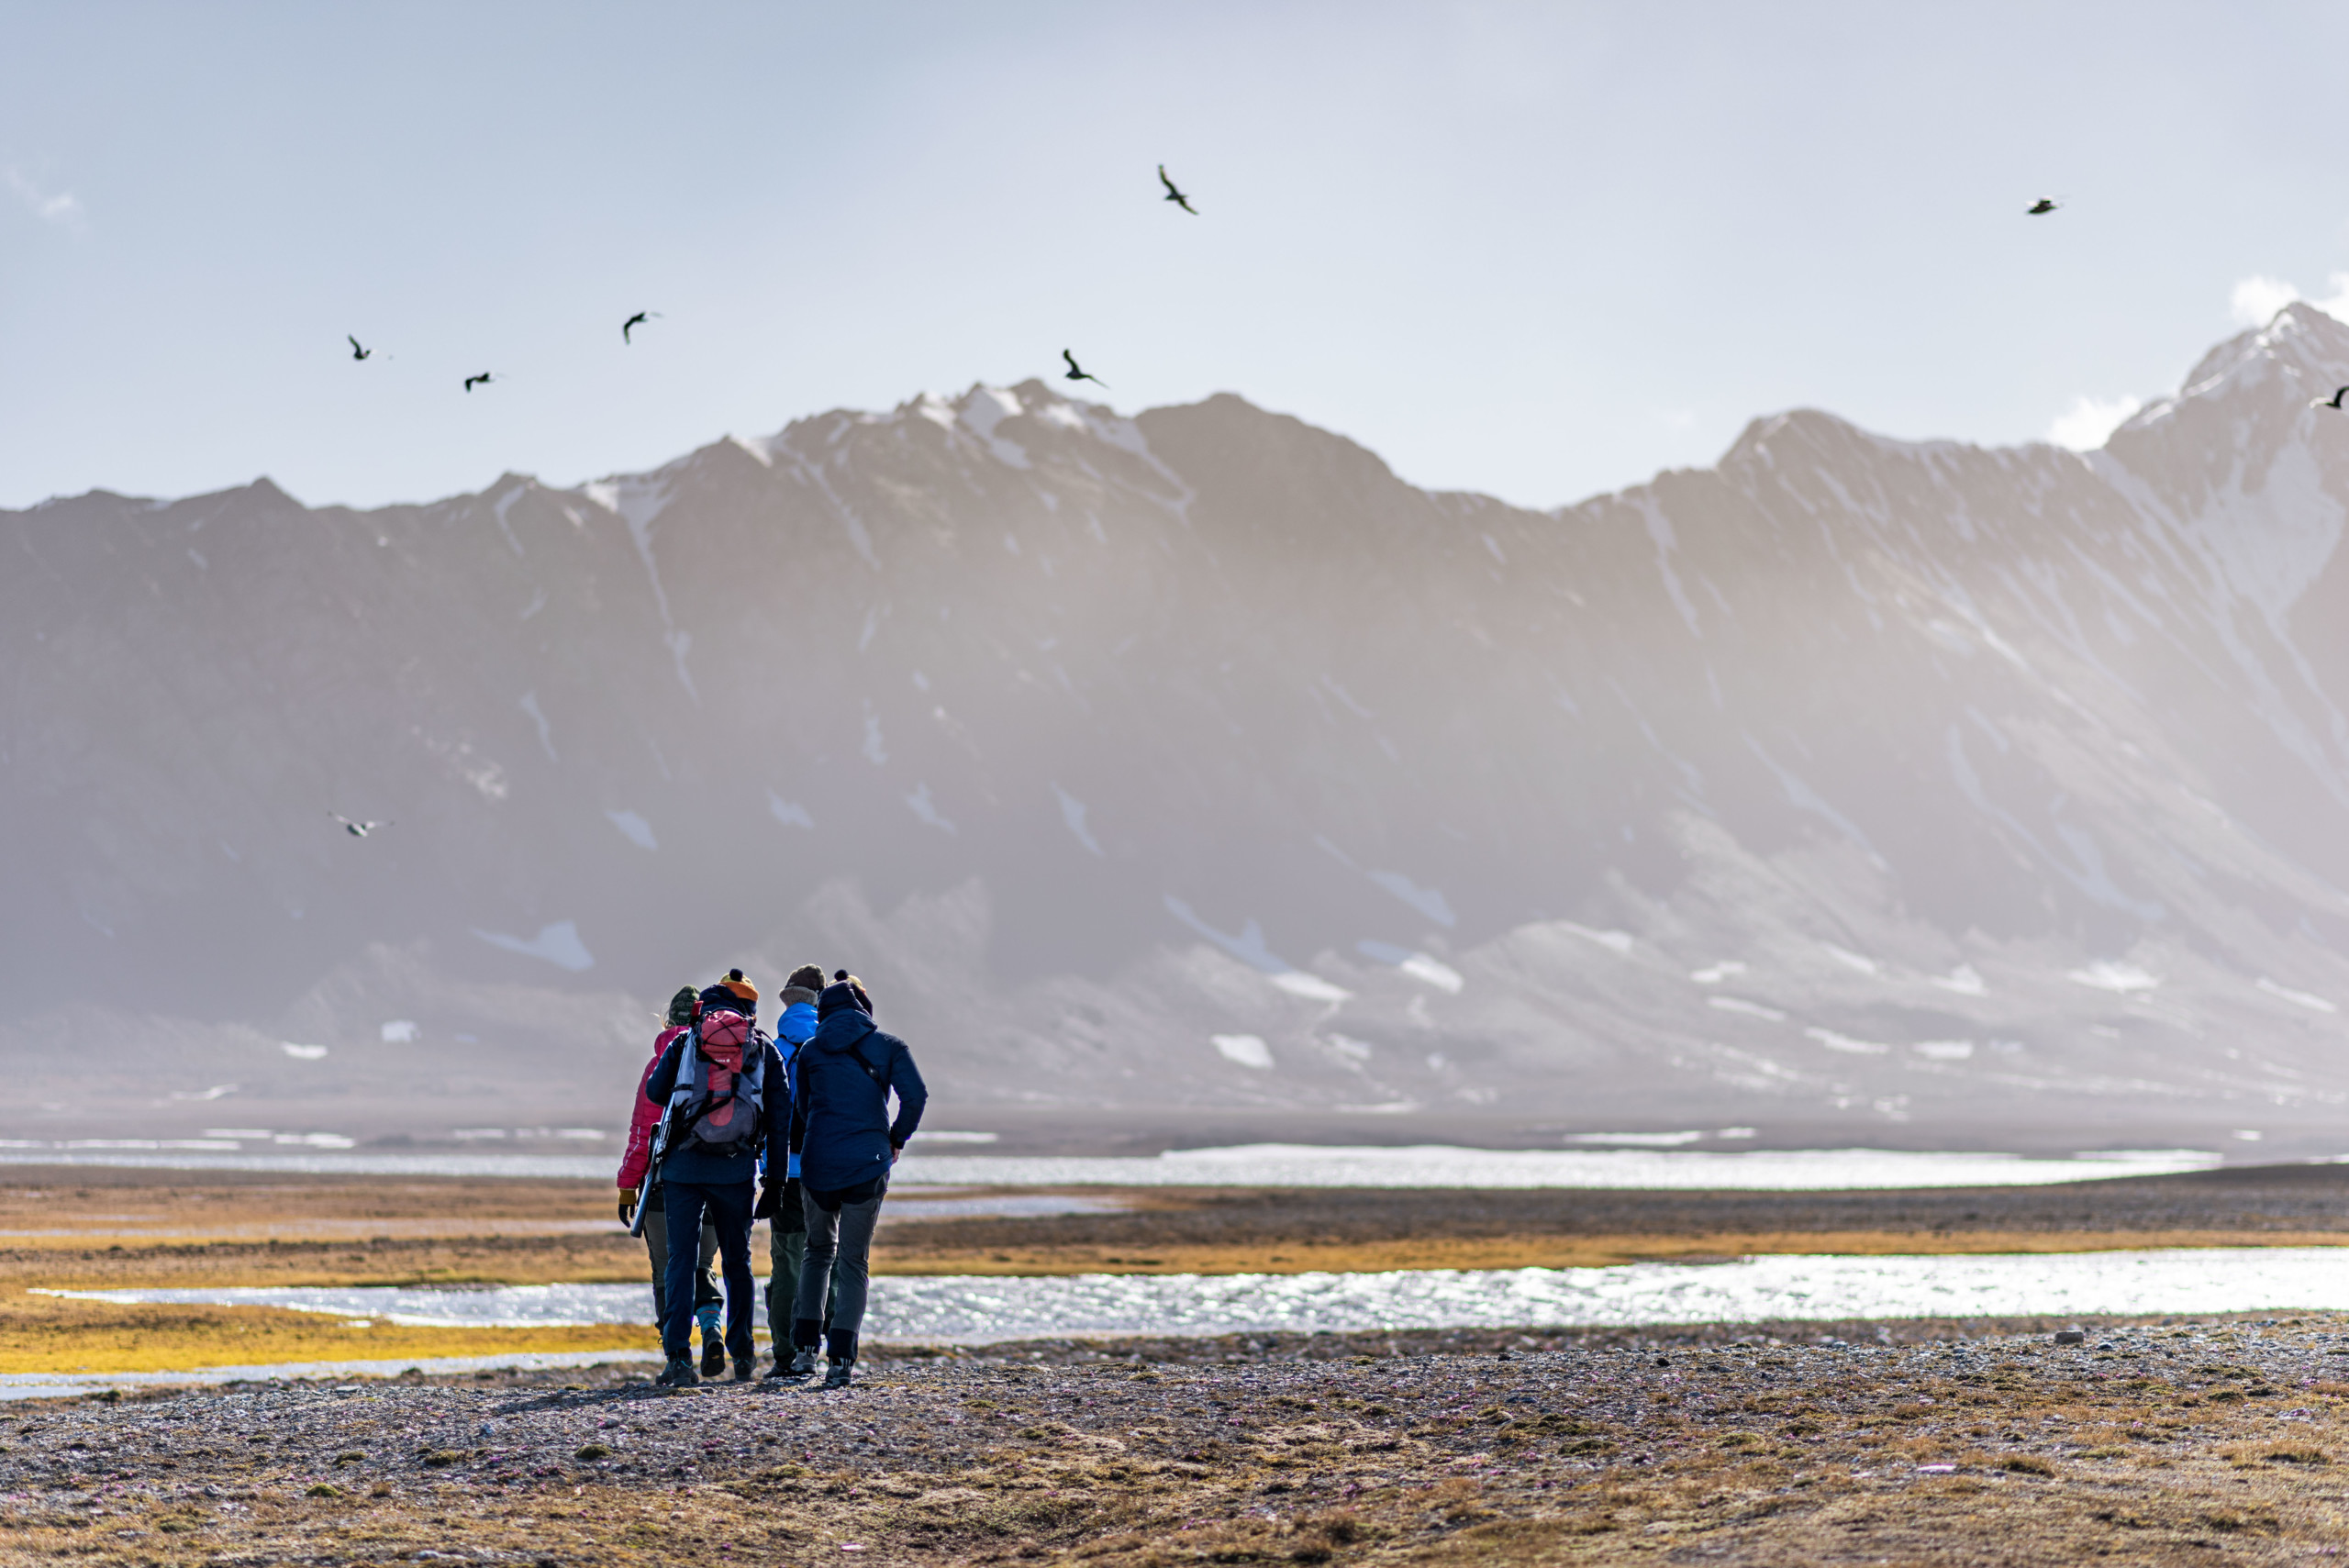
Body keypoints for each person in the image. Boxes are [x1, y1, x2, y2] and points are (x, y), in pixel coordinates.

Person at [781, 969, 927, 1388]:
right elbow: (916, 1097)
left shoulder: (810, 1051)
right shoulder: (889, 1047)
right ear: (863, 1010)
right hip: (868, 1163)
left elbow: (804, 1110)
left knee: (816, 1252)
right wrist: (895, 1139)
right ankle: (841, 1359)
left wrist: (823, 1139)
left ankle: (805, 1352)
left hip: (818, 1166)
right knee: (853, 1261)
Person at [643, 969, 785, 1386]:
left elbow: (654, 1092)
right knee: (737, 1262)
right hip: (736, 1171)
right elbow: (780, 1119)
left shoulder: (688, 1040)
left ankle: (678, 1359)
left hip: (683, 1170)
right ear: (750, 1009)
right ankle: (742, 1354)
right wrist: (774, 1182)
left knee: (682, 1262)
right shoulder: (762, 1048)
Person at [617, 984, 725, 1373]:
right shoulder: (722, 1057)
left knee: (667, 1269)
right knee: (702, 1264)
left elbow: (643, 1133)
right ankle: (713, 1329)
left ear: (668, 1021)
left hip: (664, 1185)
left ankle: (677, 1357)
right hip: (719, 1179)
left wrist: (628, 1185)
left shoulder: (659, 1063)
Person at [760, 963, 837, 1377]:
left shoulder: (774, 1047)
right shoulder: (833, 1045)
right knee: (830, 1256)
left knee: (788, 1260)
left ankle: (787, 1353)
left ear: (788, 1000)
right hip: (828, 1170)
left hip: (783, 1174)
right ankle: (830, 1345)